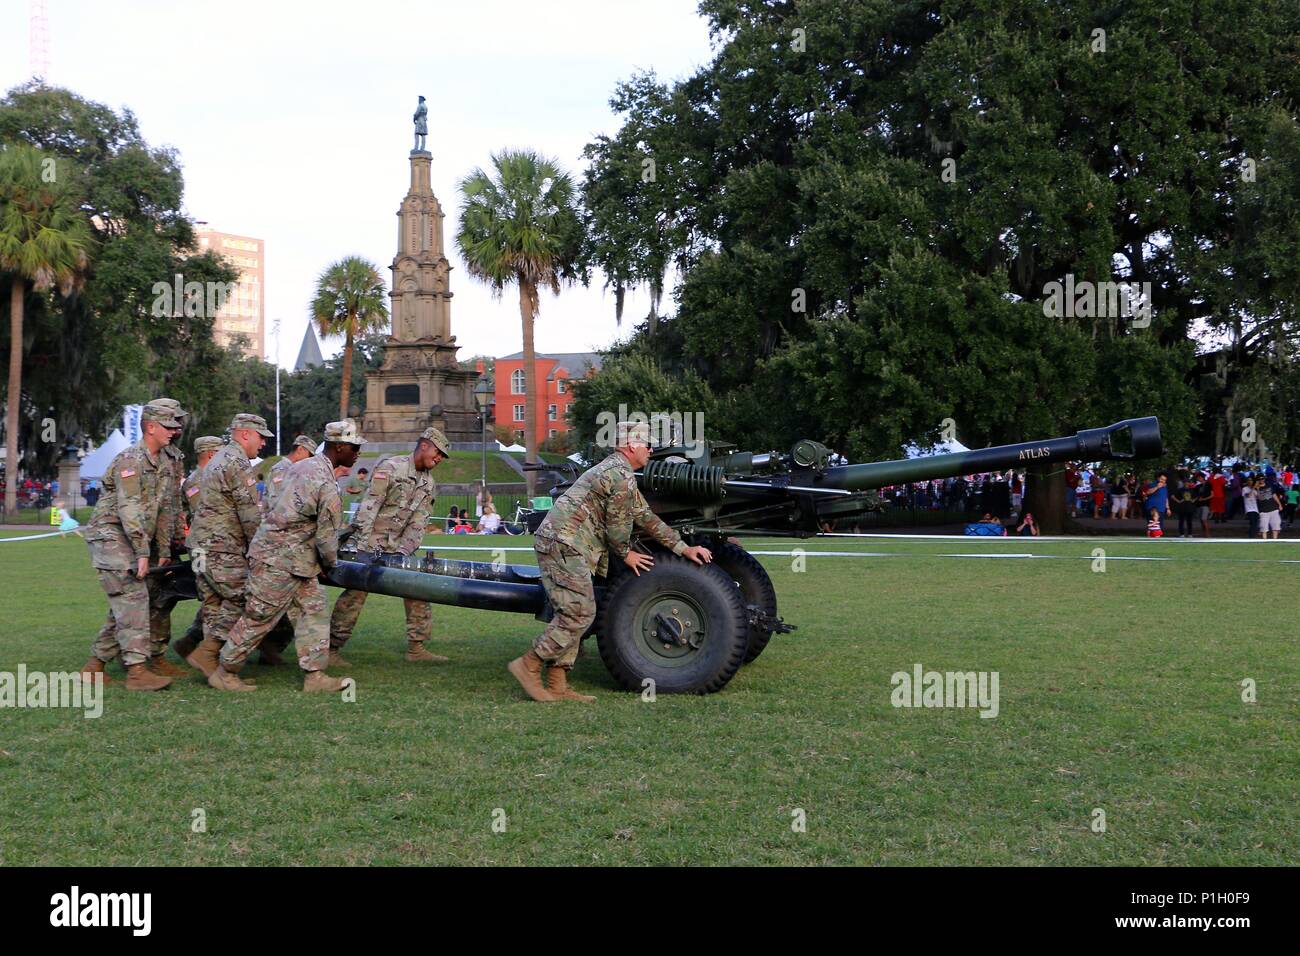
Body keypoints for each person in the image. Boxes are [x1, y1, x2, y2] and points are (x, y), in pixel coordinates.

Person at [510, 421, 714, 703]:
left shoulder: (619, 471)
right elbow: (618, 529)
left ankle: (557, 684)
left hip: (567, 544)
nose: (651, 450)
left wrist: (682, 547)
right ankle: (529, 664)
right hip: (564, 545)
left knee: (577, 611)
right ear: (632, 446)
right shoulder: (619, 475)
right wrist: (625, 553)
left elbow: (644, 515)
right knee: (578, 613)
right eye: (647, 444)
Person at [208, 420, 364, 692]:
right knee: (260, 616)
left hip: (292, 559)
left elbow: (270, 503)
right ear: (339, 447)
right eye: (354, 448)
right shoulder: (325, 482)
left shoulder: (298, 467)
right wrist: (331, 563)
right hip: (280, 560)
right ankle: (225, 670)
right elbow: (327, 536)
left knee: (313, 610)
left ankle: (314, 675)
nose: (357, 453)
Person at [77, 401, 183, 691]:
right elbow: (129, 508)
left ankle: (94, 667)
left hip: (129, 535)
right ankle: (137, 672)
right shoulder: (131, 460)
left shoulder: (162, 462)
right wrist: (142, 552)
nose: (175, 431)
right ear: (150, 427)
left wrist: (163, 551)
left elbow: (164, 510)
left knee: (127, 602)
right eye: (169, 426)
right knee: (133, 596)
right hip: (110, 533)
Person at [329, 427, 450, 666]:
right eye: (438, 452)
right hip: (369, 544)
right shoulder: (391, 468)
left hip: (399, 548)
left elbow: (419, 522)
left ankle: (416, 647)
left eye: (443, 457)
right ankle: (331, 649)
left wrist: (404, 553)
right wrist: (361, 548)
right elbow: (370, 507)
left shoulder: (428, 483)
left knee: (417, 589)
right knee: (355, 595)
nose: (439, 458)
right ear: (424, 445)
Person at [184, 413, 274, 677]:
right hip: (219, 548)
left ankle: (208, 661)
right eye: (261, 437)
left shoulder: (218, 459)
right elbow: (249, 516)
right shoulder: (236, 462)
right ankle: (208, 652)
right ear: (245, 434)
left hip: (200, 547)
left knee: (213, 602)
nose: (263, 444)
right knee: (245, 596)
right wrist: (261, 551)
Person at [169, 434, 226, 663]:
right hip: (204, 548)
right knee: (212, 595)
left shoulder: (202, 478)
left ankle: (191, 641)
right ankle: (207, 650)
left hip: (207, 546)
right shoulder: (199, 480)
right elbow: (205, 516)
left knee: (213, 596)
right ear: (211, 454)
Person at [266, 435, 317, 511]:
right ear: (300, 449)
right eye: (310, 455)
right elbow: (276, 501)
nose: (310, 459)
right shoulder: (282, 469)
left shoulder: (292, 469)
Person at [1171, 473, 1197, 538]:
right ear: (1183, 483)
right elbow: (1172, 496)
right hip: (1182, 507)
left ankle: (1190, 534)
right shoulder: (1180, 490)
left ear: (1189, 483)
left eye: (1188, 482)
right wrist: (1178, 501)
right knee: (1181, 521)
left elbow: (1197, 496)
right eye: (1185, 482)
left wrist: (1193, 500)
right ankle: (1181, 534)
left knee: (1189, 521)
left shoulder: (1192, 490)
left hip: (1190, 507)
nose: (1186, 483)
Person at [1194, 472, 1213, 537]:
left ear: (1202, 477)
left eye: (1199, 477)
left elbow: (1212, 495)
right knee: (1201, 520)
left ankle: (1208, 533)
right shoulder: (1198, 486)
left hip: (1205, 504)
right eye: (1197, 478)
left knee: (1204, 519)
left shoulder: (1208, 484)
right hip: (1199, 505)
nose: (1198, 479)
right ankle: (1203, 533)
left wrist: (1204, 499)